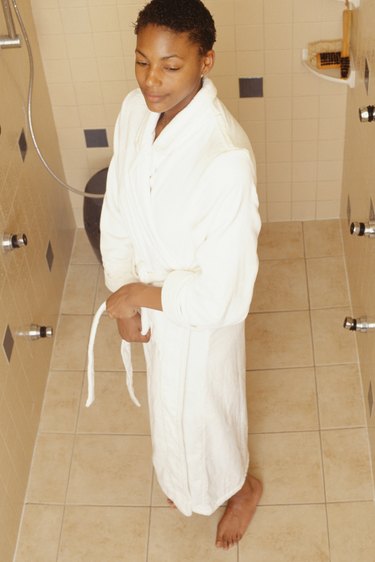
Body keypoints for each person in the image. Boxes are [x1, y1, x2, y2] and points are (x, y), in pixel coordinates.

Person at [101, 0, 262, 550]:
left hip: (200, 321)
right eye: (142, 61)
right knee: (170, 410)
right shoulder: (132, 111)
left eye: (171, 67)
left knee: (209, 410)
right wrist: (122, 296)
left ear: (206, 61)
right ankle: (187, 481)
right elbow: (117, 207)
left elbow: (224, 295)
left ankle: (239, 486)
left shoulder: (225, 158)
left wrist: (137, 294)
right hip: (151, 307)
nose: (152, 80)